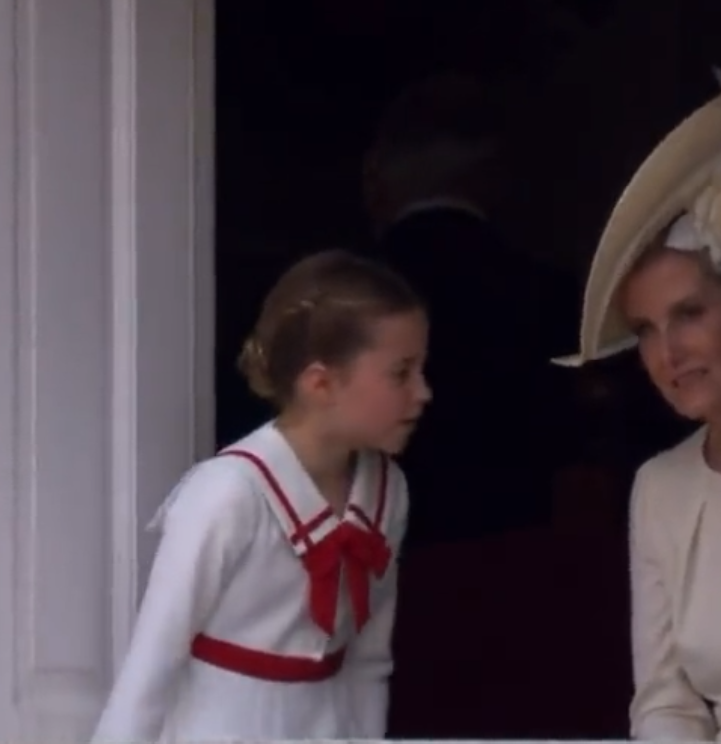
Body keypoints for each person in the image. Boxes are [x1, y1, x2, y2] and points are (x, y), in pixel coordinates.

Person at [554, 74, 721, 743]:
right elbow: (666, 702)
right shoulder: (661, 487)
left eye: (689, 315)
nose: (666, 352)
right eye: (645, 330)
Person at [90, 249, 431, 742]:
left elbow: (369, 661)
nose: (424, 392)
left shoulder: (387, 492)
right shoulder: (227, 495)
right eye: (401, 373)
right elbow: (151, 666)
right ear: (321, 384)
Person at [361, 72, 578, 546]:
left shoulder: (343, 298)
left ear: (376, 172)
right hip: (526, 576)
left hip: (375, 581)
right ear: (494, 177)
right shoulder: (552, 296)